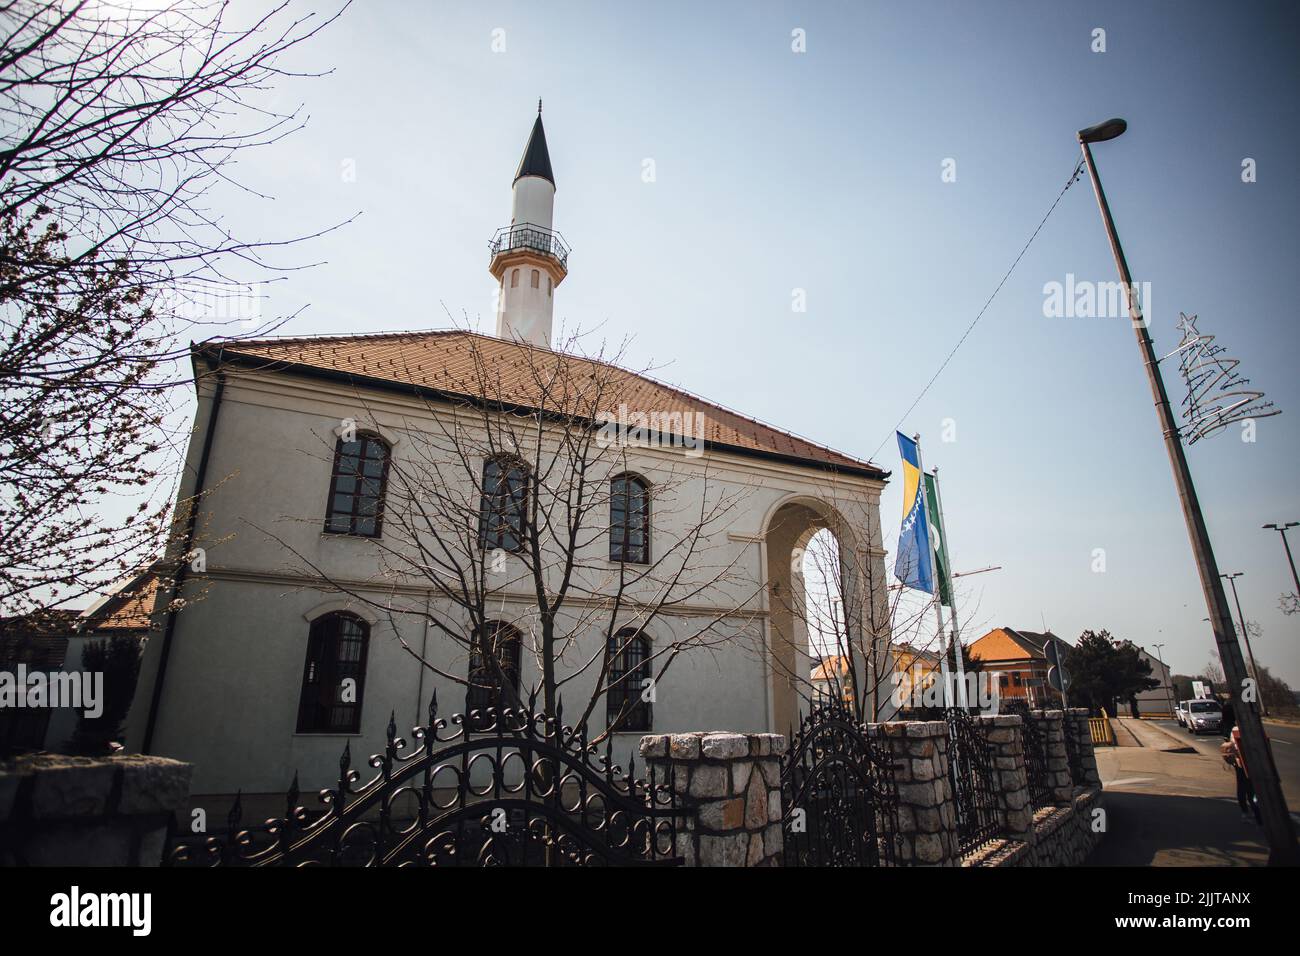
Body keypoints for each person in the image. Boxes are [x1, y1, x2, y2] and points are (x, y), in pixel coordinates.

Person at [1220, 725, 1260, 824]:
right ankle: (1254, 811)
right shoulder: (1240, 729)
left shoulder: (1234, 729)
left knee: (1244, 787)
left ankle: (1246, 811)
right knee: (1249, 788)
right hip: (1245, 762)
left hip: (1240, 763)